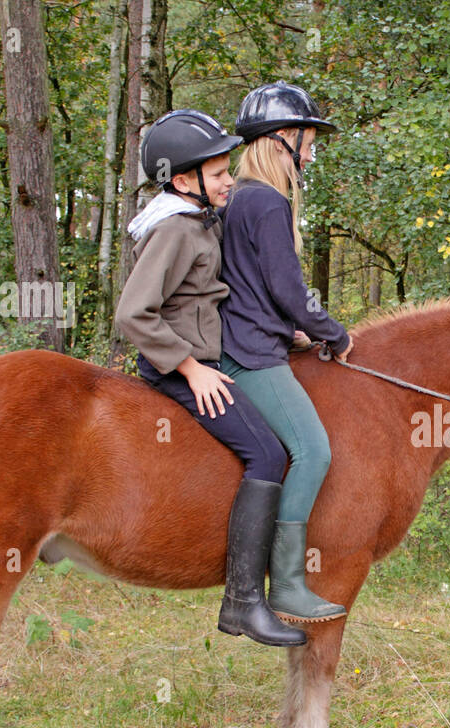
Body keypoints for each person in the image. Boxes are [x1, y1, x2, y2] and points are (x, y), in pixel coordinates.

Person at [114, 108, 306, 648]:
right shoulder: (174, 229)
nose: (229, 180)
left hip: (205, 357)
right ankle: (244, 602)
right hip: (179, 369)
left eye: (228, 171)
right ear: (183, 180)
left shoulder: (200, 219)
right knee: (268, 455)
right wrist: (191, 368)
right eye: (220, 174)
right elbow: (134, 314)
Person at [217, 81, 353, 624]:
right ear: (281, 140)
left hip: (248, 336)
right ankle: (289, 584)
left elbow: (248, 285)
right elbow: (287, 290)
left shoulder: (236, 198)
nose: (313, 149)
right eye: (308, 138)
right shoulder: (268, 201)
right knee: (314, 450)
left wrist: (291, 332)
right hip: (249, 355)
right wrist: (332, 332)